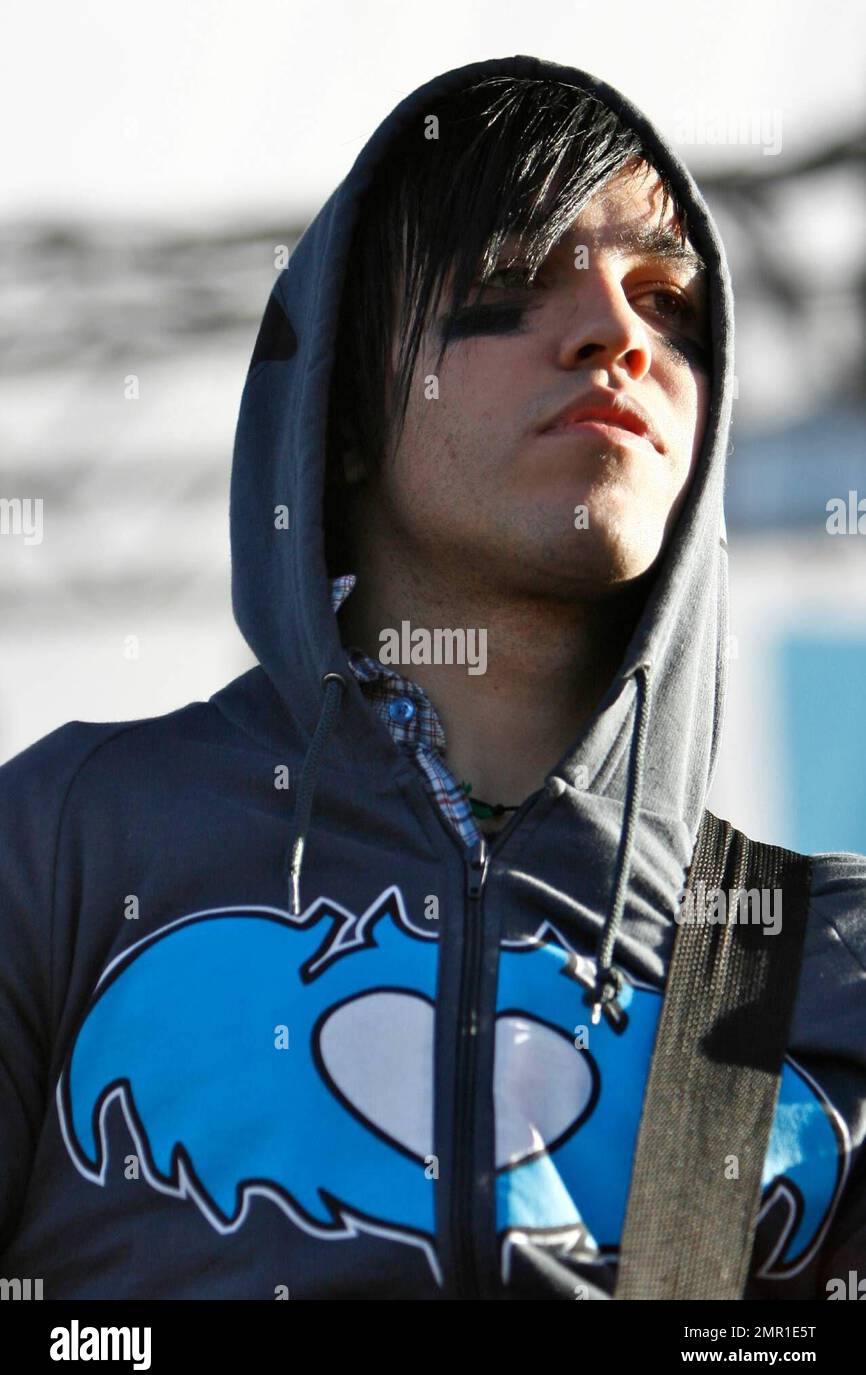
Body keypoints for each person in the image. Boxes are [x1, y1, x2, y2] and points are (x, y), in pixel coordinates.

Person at [1, 53, 864, 1302]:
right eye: (514, 280)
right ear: (340, 418)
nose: (618, 336)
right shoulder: (66, 842)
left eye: (669, 301)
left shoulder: (819, 961)